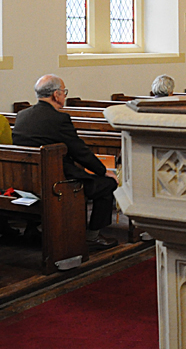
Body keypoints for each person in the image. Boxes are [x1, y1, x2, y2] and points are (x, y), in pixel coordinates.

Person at [12, 75, 119, 250]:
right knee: (107, 184)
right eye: (63, 92)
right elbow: (79, 151)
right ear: (56, 95)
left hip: (26, 178)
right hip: (57, 180)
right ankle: (93, 235)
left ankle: (34, 229)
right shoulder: (59, 119)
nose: (64, 96)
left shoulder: (22, 115)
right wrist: (102, 170)